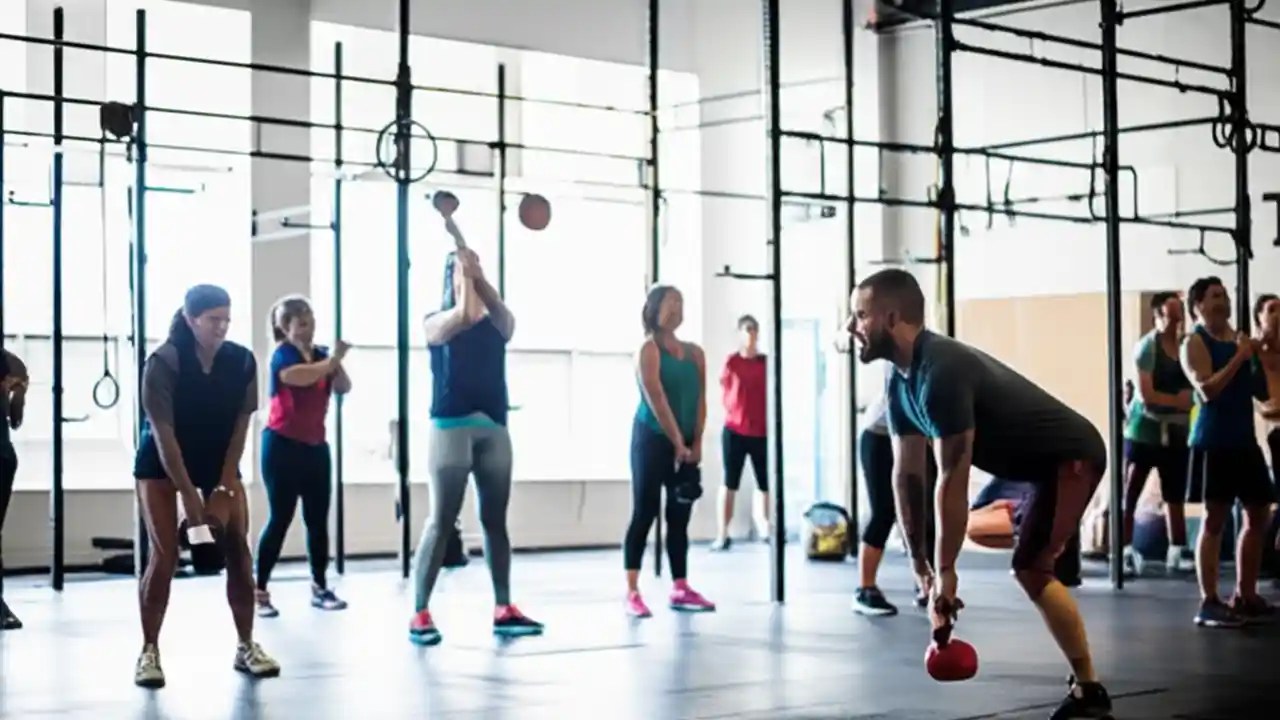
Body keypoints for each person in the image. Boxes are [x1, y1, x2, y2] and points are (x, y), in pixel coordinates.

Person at [849, 268, 1112, 719]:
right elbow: (907, 476)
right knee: (986, 536)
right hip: (1021, 469)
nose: (850, 327)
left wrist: (947, 572)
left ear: (890, 318)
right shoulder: (898, 380)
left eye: (859, 315)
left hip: (1069, 457)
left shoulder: (942, 370)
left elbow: (952, 475)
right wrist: (921, 569)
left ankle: (1089, 690)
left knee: (1031, 568)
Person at [132, 284, 280, 688]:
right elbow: (164, 437)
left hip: (217, 462)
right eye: (214, 319)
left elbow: (241, 428)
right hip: (162, 465)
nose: (222, 327)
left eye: (226, 319)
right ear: (191, 319)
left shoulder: (241, 361)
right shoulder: (163, 362)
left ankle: (246, 645)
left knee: (238, 550)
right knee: (165, 554)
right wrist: (191, 503)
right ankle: (149, 651)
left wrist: (223, 486)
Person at [408, 215, 543, 646]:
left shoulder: (497, 323)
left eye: (475, 267)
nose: (469, 274)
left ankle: (504, 607)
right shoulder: (436, 321)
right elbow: (465, 314)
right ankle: (420, 612)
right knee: (441, 520)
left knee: (495, 521)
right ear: (448, 279)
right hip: (451, 427)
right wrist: (463, 272)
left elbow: (501, 317)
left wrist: (476, 274)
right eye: (461, 270)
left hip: (493, 427)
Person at [1178, 276, 1275, 628]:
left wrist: (1258, 354)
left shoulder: (1239, 340)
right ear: (1198, 306)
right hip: (1213, 441)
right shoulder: (1194, 342)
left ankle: (1245, 595)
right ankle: (1209, 601)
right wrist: (1240, 356)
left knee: (1259, 513)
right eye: (1215, 296)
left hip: (1244, 441)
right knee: (1214, 518)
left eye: (1224, 296)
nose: (1222, 301)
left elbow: (1262, 393)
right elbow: (1207, 390)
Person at [254, 296, 352, 618]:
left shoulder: (322, 355)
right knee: (280, 518)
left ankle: (320, 586)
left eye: (310, 320)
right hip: (282, 444)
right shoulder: (283, 355)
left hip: (315, 446)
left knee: (317, 520)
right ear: (286, 328)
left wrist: (334, 362)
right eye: (300, 322)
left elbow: (343, 386)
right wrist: (332, 360)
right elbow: (297, 377)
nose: (307, 327)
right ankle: (259, 590)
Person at [623, 285, 716, 618]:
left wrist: (697, 442)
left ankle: (680, 586)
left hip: (687, 442)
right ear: (654, 309)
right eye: (669, 303)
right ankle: (632, 591)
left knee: (679, 517)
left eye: (680, 302)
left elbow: (701, 400)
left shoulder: (695, 353)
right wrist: (677, 441)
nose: (676, 309)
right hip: (652, 439)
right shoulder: (648, 350)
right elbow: (656, 398)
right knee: (645, 512)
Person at [852, 361, 937, 616]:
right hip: (879, 438)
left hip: (916, 439)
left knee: (927, 512)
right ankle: (865, 590)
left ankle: (927, 585)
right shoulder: (902, 365)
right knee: (884, 511)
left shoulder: (940, 368)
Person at [1122, 292, 1194, 576]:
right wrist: (1178, 401)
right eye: (1170, 317)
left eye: (1179, 317)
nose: (1176, 323)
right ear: (1157, 317)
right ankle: (1125, 550)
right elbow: (1147, 396)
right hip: (1144, 432)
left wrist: (1181, 402)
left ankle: (1177, 550)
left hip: (1175, 433)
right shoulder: (1147, 348)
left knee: (1175, 494)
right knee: (1132, 492)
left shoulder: (1186, 347)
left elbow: (1195, 393)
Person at [711, 314, 768, 551]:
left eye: (754, 329)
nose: (751, 334)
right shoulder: (732, 362)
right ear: (740, 333)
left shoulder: (765, 363)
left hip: (761, 432)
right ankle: (722, 534)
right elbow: (724, 388)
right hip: (735, 430)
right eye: (747, 329)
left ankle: (766, 529)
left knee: (765, 483)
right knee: (729, 482)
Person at [0, 347, 28, 631]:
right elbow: (16, 418)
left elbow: (15, 417)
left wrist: (16, 390)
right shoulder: (12, 363)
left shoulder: (11, 363)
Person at [1253, 294, 1280, 582]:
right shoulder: (1256, 356)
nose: (1278, 315)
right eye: (1271, 310)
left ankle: (1268, 557)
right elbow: (1265, 405)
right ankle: (1266, 558)